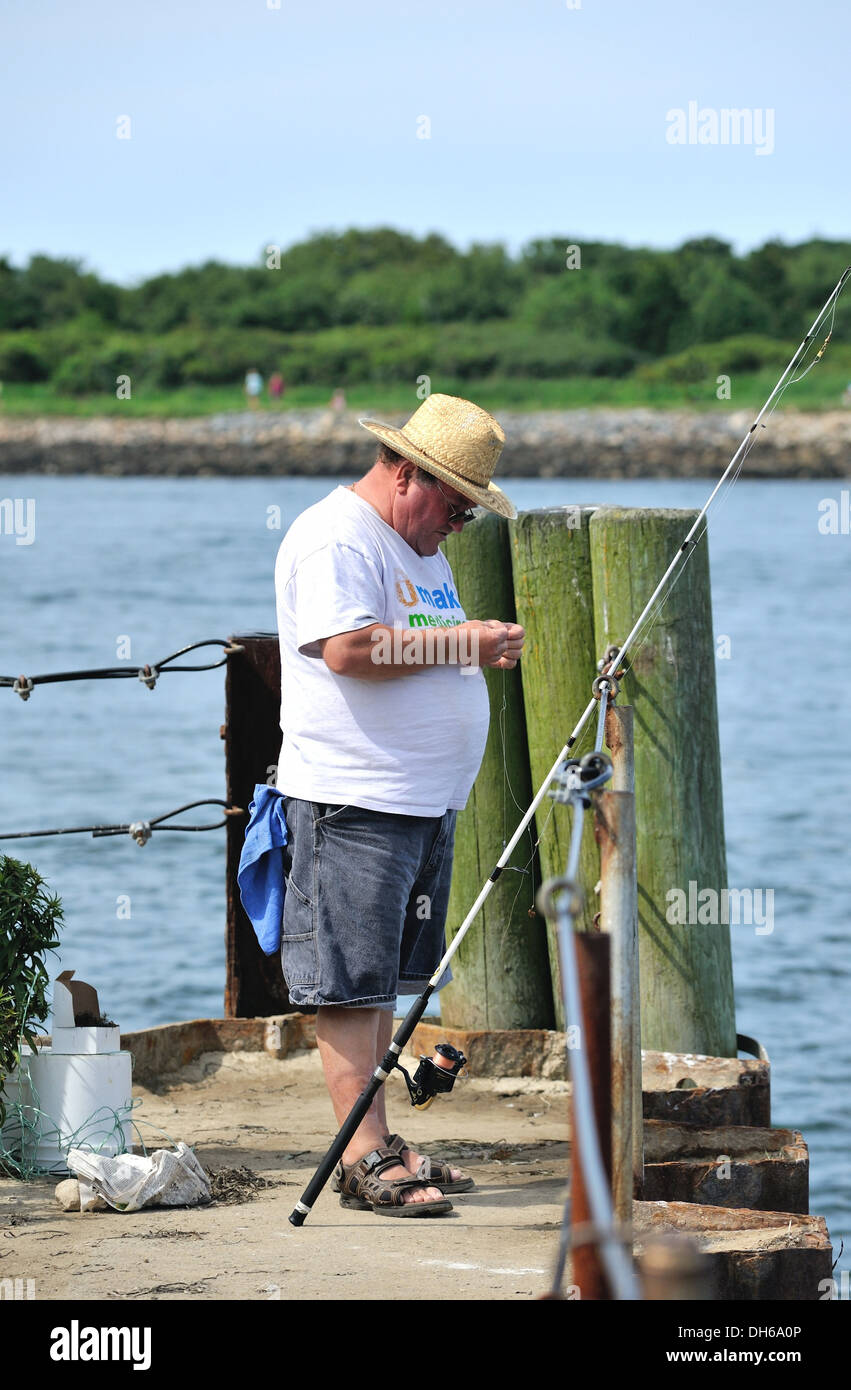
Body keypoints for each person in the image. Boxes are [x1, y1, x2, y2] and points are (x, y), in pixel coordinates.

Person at [274, 392, 524, 1216]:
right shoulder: (336, 537)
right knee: (349, 986)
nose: (457, 527)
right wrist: (470, 642)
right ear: (407, 473)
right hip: (354, 800)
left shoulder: (416, 546)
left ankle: (379, 1140)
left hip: (418, 802)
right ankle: (363, 1157)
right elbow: (346, 649)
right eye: (455, 509)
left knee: (381, 983)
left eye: (469, 518)